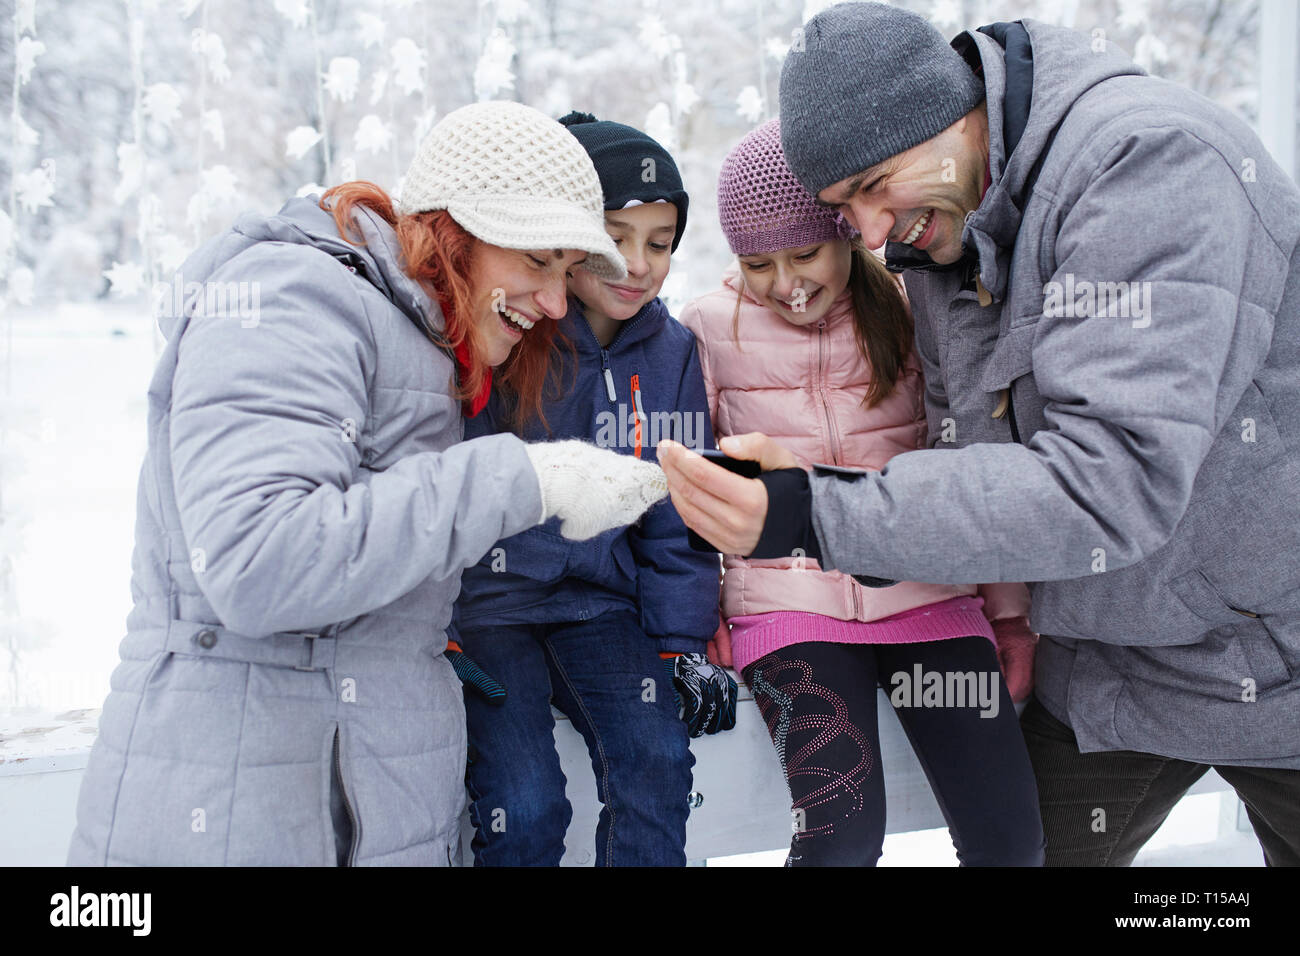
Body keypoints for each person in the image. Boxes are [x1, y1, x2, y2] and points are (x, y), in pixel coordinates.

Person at [659, 4, 1300, 866]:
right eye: (849, 211)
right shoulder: (944, 235)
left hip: (1276, 661)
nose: (876, 237)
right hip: (1109, 673)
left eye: (875, 186)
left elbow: (1106, 484)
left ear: (949, 118)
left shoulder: (1148, 165)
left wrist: (812, 509)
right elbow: (978, 470)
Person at [68, 100, 672, 867]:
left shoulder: (427, 343)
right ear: (457, 232)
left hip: (375, 809)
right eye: (538, 260)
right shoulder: (294, 294)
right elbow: (261, 562)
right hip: (238, 813)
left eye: (566, 273)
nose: (557, 302)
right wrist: (528, 479)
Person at [678, 118, 1042, 866]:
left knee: (1010, 840)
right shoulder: (709, 330)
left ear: (849, 231)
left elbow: (975, 465)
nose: (787, 284)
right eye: (758, 264)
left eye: (805, 253)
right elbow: (689, 487)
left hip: (931, 603)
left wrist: (1008, 614)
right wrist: (691, 615)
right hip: (790, 615)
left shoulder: (913, 312)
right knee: (841, 839)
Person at [450, 111, 736, 867]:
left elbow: (679, 507)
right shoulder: (517, 331)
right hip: (491, 611)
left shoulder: (671, 350)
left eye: (661, 243)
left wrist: (679, 644)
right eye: (615, 238)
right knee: (528, 804)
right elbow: (448, 479)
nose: (638, 265)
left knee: (658, 766)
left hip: (600, 607)